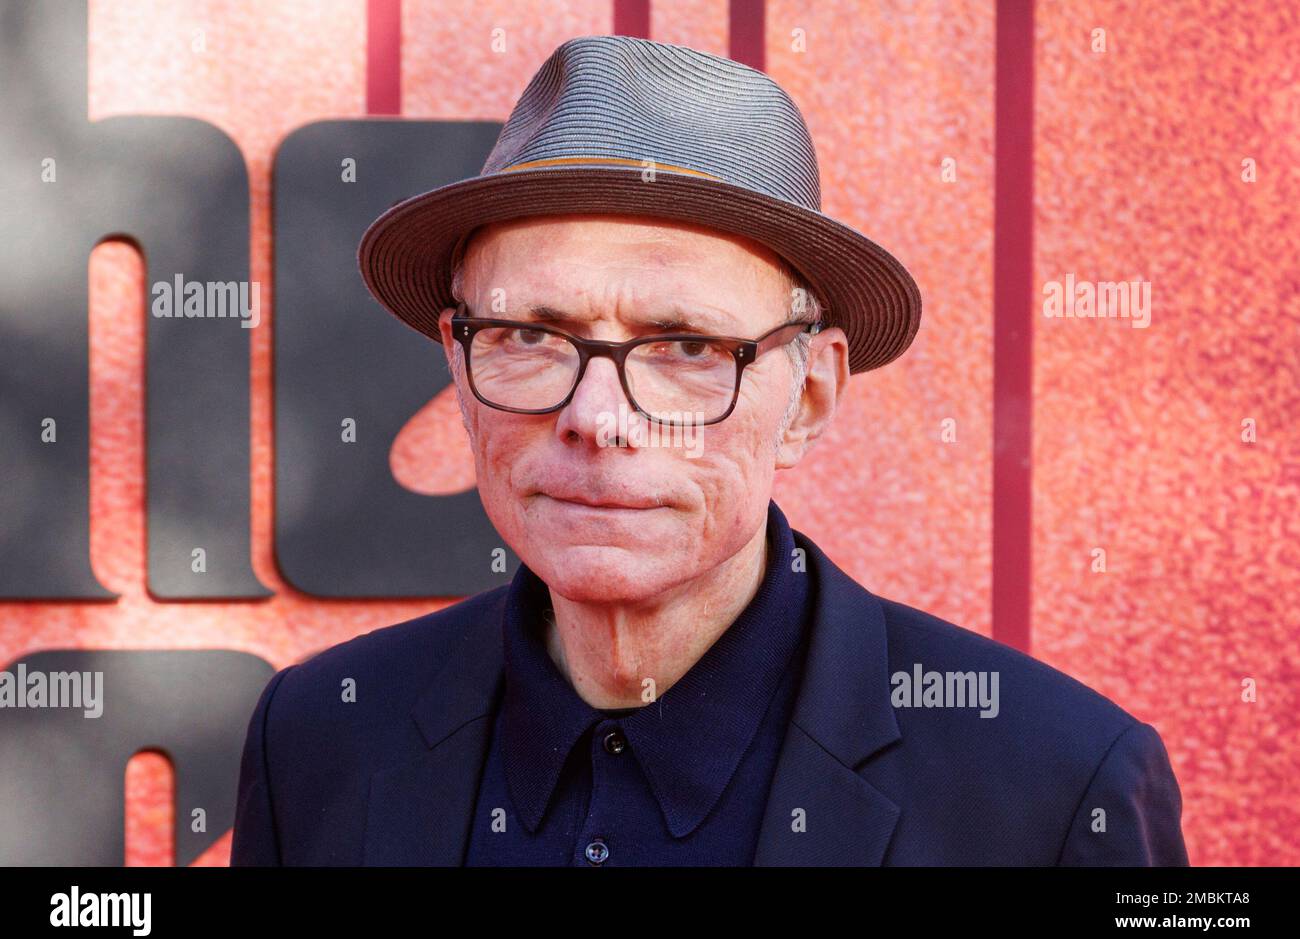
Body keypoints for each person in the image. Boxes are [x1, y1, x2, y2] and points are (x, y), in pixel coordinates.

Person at [231, 34, 1187, 866]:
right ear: (456, 358)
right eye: (529, 335)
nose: (596, 415)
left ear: (808, 398)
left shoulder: (1055, 785)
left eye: (686, 346)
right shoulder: (318, 737)